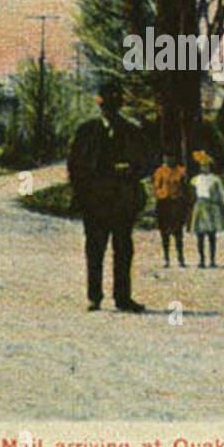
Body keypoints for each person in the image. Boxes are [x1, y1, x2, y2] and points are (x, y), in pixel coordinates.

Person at [67, 81, 148, 313]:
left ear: (119, 106)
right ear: (99, 105)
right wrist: (81, 193)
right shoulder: (86, 132)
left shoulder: (131, 132)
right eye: (106, 104)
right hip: (95, 201)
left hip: (122, 200)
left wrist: (131, 169)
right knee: (95, 248)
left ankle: (123, 297)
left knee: (123, 249)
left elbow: (145, 163)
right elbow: (75, 166)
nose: (109, 110)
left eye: (114, 104)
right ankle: (94, 296)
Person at [188, 151, 224, 269]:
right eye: (202, 166)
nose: (205, 168)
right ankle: (201, 260)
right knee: (200, 235)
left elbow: (221, 194)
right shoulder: (195, 179)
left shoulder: (215, 179)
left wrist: (220, 205)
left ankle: (212, 260)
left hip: (211, 206)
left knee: (211, 235)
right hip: (200, 205)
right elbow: (192, 193)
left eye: (207, 166)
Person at [152, 153, 190, 268]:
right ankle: (166, 258)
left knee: (178, 232)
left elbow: (185, 187)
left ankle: (180, 257)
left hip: (176, 203)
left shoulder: (181, 171)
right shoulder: (159, 171)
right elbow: (156, 187)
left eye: (171, 157)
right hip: (164, 203)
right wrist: (161, 195)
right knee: (164, 232)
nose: (169, 160)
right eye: (166, 157)